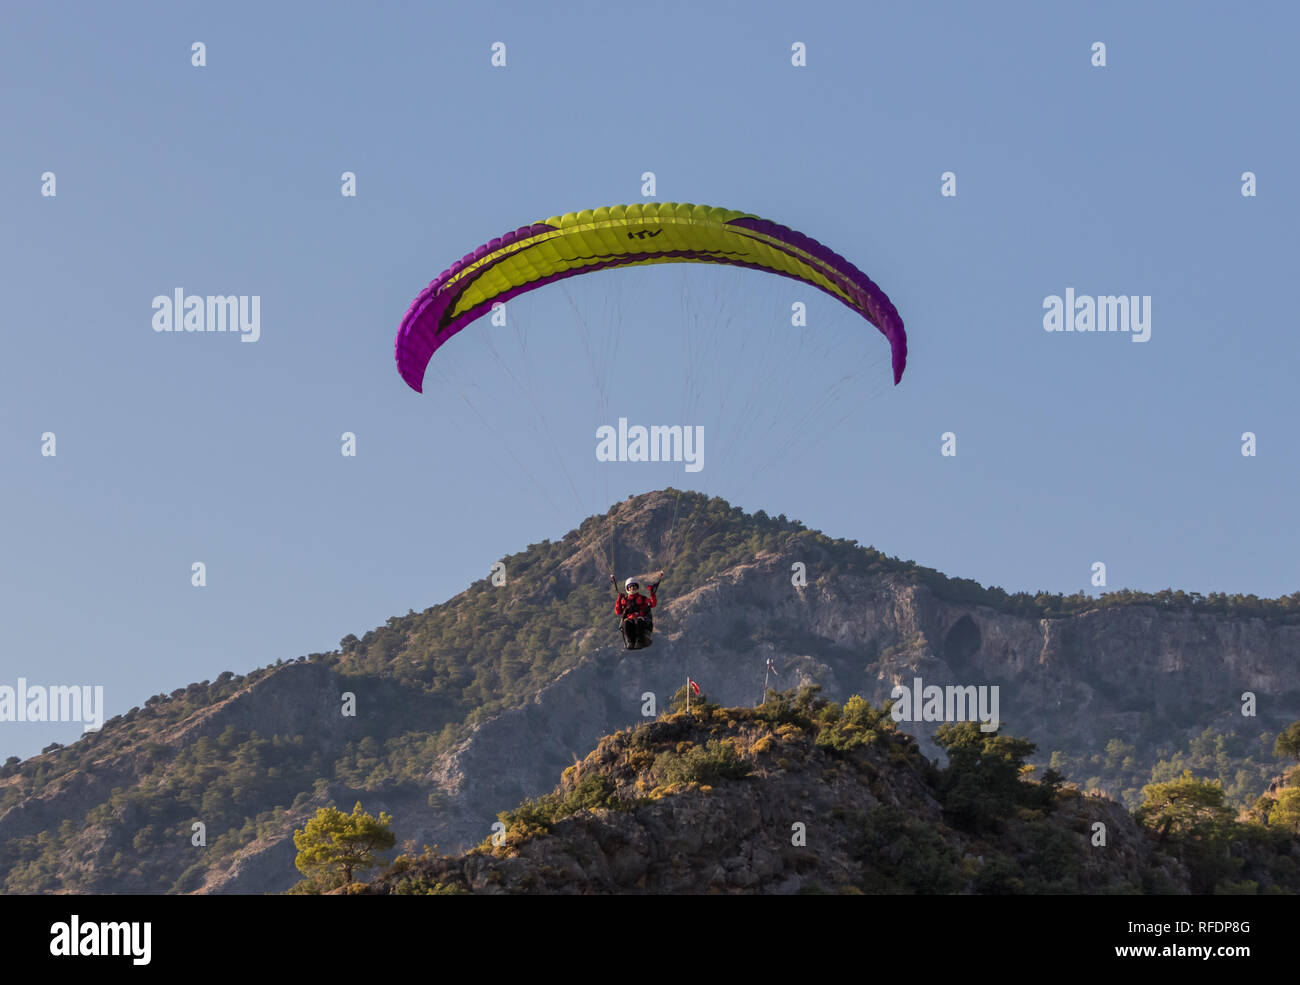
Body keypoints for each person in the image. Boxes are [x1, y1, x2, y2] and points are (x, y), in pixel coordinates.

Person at [612, 574, 658, 650]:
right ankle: (631, 642)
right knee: (626, 623)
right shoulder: (624, 600)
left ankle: (640, 640)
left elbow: (653, 604)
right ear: (628, 588)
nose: (632, 588)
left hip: (641, 619)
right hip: (630, 620)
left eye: (634, 586)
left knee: (638, 621)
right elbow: (618, 611)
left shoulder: (642, 599)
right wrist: (619, 600)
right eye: (630, 587)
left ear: (637, 587)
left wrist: (652, 593)